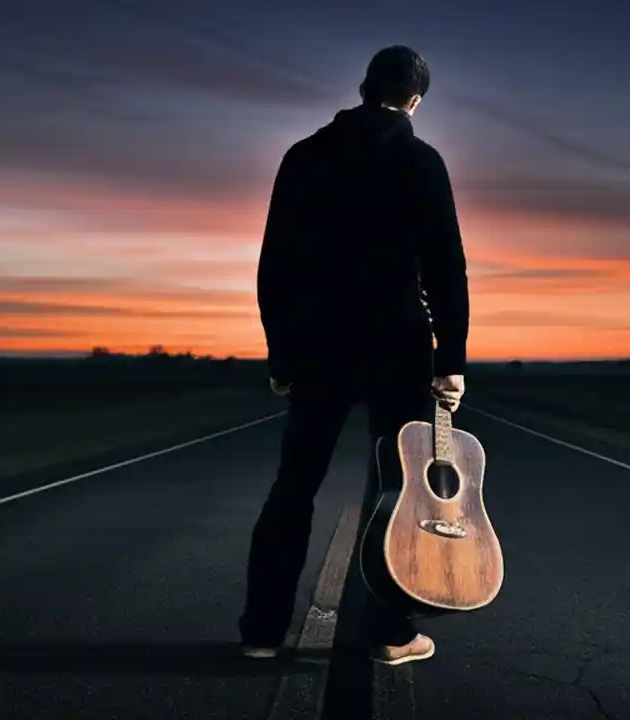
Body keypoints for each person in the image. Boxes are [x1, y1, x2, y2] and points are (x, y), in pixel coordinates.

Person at [238, 45, 469, 666]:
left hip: (319, 344)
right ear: (416, 100)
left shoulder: (305, 155)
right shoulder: (422, 161)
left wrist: (281, 352)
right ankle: (391, 635)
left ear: (365, 87)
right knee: (398, 488)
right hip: (397, 343)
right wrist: (451, 357)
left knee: (294, 486)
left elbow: (274, 265)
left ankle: (261, 632)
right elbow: (447, 266)